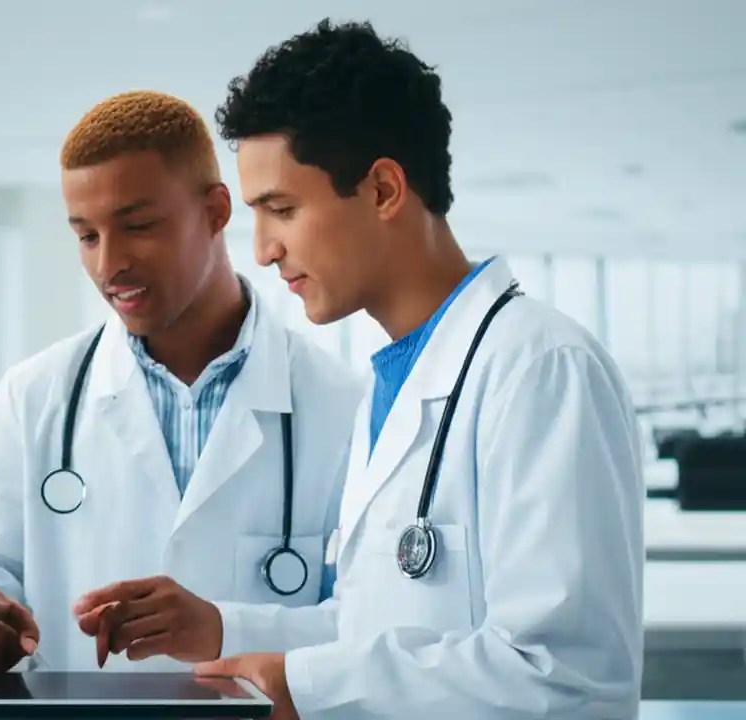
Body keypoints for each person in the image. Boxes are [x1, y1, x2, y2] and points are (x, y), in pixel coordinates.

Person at [193, 20, 645, 718]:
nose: (263, 250)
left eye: (281, 209)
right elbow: (372, 631)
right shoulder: (392, 385)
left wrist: (306, 687)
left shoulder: (542, 369)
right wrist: (223, 629)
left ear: (382, 190)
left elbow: (563, 675)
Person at [0, 90, 363, 673]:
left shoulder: (344, 402)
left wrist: (226, 629)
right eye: (87, 236)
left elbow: (370, 625)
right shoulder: (33, 397)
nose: (108, 265)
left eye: (138, 226)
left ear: (215, 212)